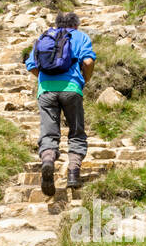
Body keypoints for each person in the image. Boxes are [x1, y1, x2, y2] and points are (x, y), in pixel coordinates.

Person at [25, 11, 96, 197]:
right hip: (72, 89)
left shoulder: (44, 36)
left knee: (49, 132)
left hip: (46, 91)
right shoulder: (80, 37)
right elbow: (88, 62)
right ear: (76, 25)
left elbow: (31, 65)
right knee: (76, 132)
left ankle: (48, 161)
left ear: (57, 24)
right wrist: (84, 81)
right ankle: (73, 173)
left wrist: (43, 80)